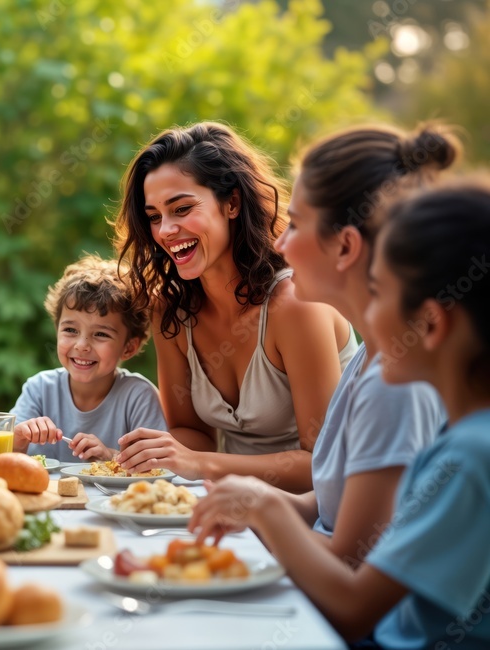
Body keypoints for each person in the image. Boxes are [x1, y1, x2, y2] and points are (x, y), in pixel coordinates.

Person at [191, 178, 490, 648]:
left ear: (432, 323)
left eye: (379, 292)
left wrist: (267, 509)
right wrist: (254, 502)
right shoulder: (460, 435)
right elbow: (333, 504)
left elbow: (353, 609)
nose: (367, 313)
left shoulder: (471, 455)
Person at [113, 122, 357, 492]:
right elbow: (192, 434)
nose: (165, 230)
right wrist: (135, 452)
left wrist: (200, 464)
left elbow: (322, 464)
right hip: (231, 502)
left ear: (232, 203)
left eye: (182, 208)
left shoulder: (295, 304)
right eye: (154, 216)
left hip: (322, 511)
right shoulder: (172, 310)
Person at [270, 124, 453, 565]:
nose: (279, 244)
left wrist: (263, 513)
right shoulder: (368, 357)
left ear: (346, 246)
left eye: (294, 224)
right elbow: (329, 508)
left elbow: (352, 565)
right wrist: (240, 501)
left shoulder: (396, 383)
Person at [10, 255, 167, 462]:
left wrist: (111, 457)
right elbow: (1, 458)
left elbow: (158, 466)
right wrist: (19, 439)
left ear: (129, 347)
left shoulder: (139, 397)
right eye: (70, 330)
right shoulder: (39, 389)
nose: (81, 345)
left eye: (101, 334)